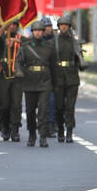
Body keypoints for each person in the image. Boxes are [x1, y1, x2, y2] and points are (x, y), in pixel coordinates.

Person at [16, 19, 57, 148]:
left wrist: (55, 85)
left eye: (40, 31)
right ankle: (32, 134)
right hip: (29, 81)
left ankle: (43, 136)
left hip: (45, 82)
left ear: (43, 32)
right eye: (35, 31)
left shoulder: (49, 48)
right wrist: (19, 71)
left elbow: (54, 67)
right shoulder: (25, 47)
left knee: (44, 111)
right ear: (32, 32)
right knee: (30, 111)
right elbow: (19, 62)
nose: (38, 33)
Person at [52, 15, 87, 143]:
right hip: (58, 77)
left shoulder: (75, 42)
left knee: (70, 107)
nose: (64, 27)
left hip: (72, 78)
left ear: (69, 27)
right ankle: (60, 129)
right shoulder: (54, 41)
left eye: (66, 25)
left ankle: (70, 131)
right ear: (59, 27)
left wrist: (81, 60)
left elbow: (81, 61)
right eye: (61, 25)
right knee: (59, 106)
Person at [0, 20, 23, 142]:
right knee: (4, 104)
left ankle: (15, 129)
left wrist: (15, 41)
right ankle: (5, 127)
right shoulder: (3, 38)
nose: (13, 27)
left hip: (17, 77)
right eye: (11, 25)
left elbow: (31, 43)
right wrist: (4, 24)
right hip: (4, 75)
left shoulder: (21, 39)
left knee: (16, 105)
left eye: (15, 25)